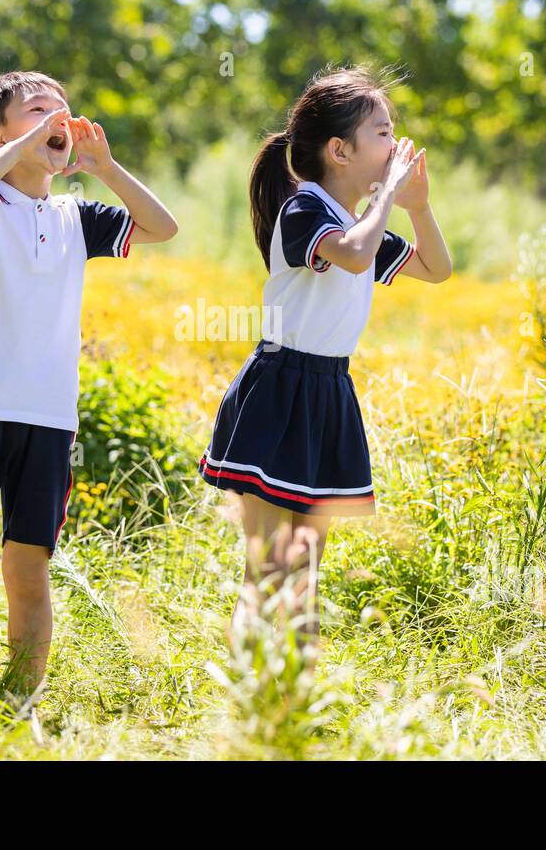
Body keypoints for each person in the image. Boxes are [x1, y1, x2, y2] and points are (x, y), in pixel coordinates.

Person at [0, 70, 178, 703]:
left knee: (29, 572)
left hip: (49, 418)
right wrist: (17, 151)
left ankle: (18, 704)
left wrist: (105, 165)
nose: (60, 120)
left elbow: (161, 227)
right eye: (39, 110)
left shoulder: (73, 215)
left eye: (64, 109)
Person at [198, 64, 452, 656]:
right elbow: (357, 257)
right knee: (267, 570)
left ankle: (294, 703)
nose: (395, 145)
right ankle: (252, 703)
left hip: (329, 392)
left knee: (306, 571)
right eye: (383, 134)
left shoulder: (356, 221)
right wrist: (388, 194)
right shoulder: (305, 212)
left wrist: (416, 205)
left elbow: (437, 269)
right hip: (278, 388)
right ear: (340, 150)